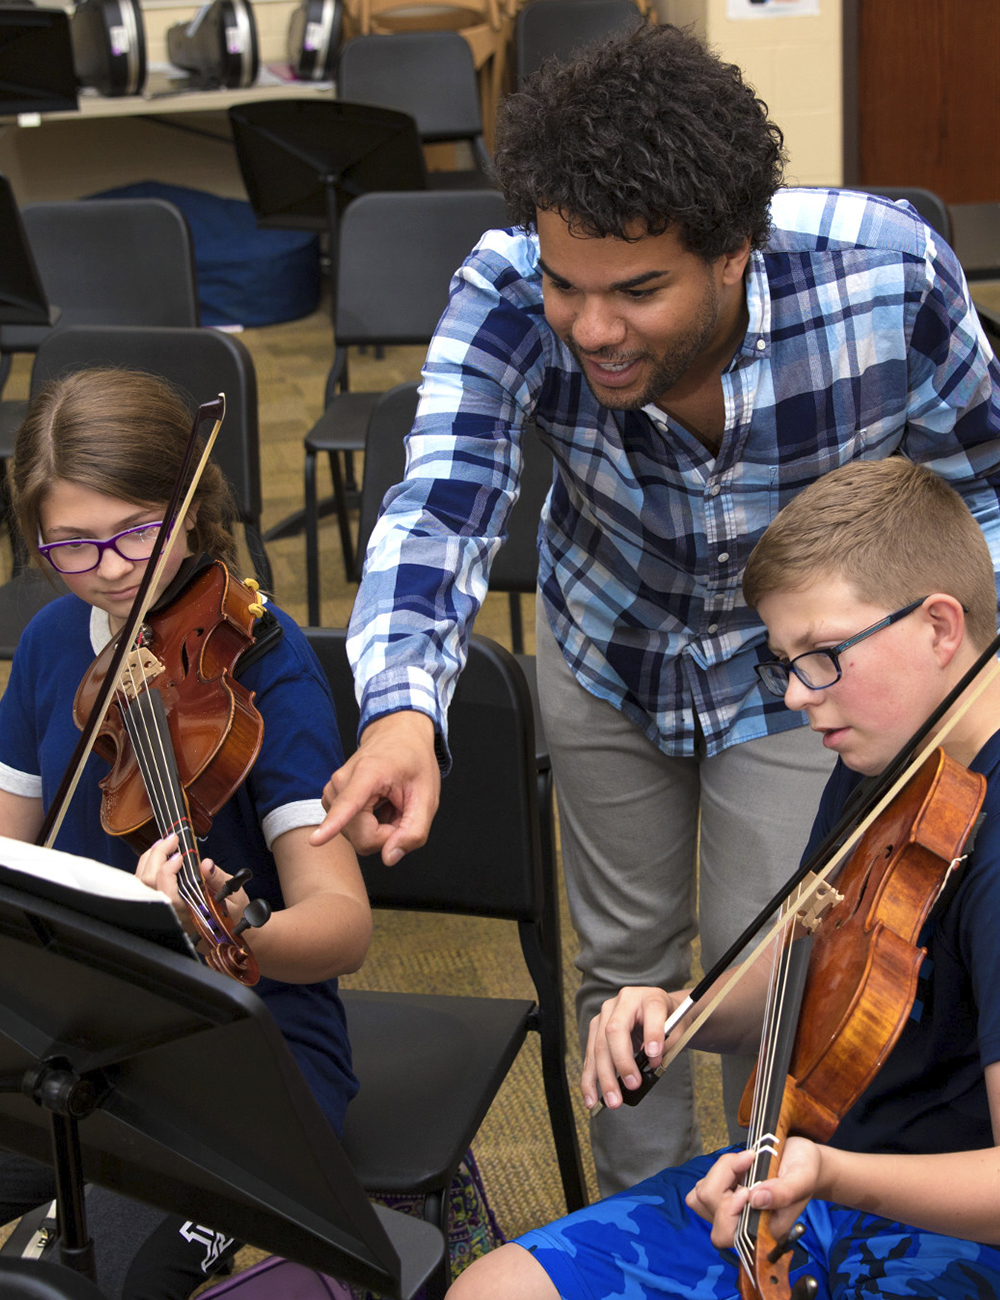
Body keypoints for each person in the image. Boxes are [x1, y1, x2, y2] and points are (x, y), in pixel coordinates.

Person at [311, 21, 1000, 1193]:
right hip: (610, 646)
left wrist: (947, 674)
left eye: (636, 290)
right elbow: (440, 505)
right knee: (620, 977)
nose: (590, 327)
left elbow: (983, 481)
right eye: (567, 286)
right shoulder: (505, 286)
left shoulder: (886, 272)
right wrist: (399, 713)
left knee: (777, 986)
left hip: (796, 683)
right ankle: (646, 1226)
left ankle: (757, 1218)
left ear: (733, 252)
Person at [445, 455, 1000, 1299]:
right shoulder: (892, 750)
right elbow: (808, 961)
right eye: (785, 662)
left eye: (820, 654)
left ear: (939, 626)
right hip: (816, 1181)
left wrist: (832, 1176)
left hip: (944, 1223)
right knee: (492, 1289)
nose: (799, 697)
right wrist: (682, 1014)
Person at [0, 368, 372, 1300]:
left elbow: (342, 924)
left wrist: (237, 929)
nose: (113, 569)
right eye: (72, 546)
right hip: (73, 1033)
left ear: (192, 510)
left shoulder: (263, 664)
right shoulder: (51, 643)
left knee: (122, 1283)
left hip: (246, 1051)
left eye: (136, 532)